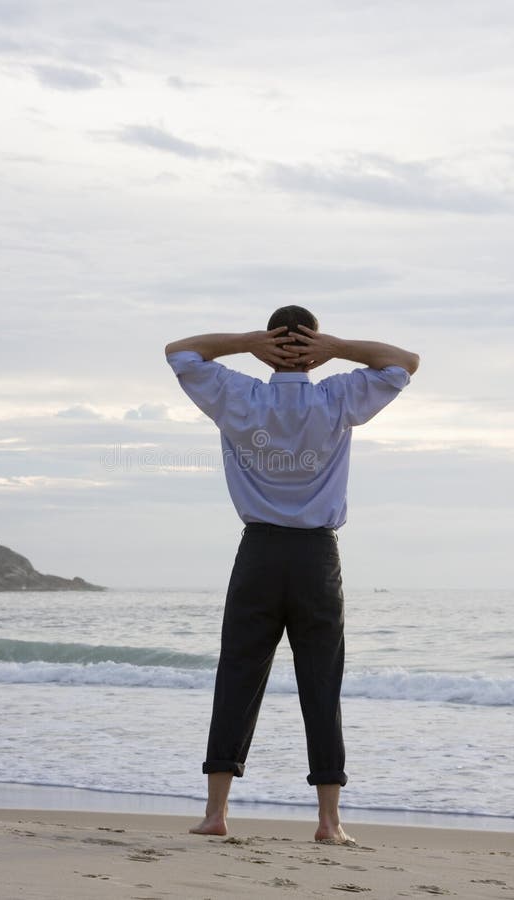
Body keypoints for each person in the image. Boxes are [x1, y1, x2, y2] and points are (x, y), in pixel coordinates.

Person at [165, 306, 419, 843]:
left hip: (258, 553)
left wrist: (243, 343)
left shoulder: (239, 394)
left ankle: (216, 814)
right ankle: (329, 822)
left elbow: (179, 351)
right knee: (322, 683)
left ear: (267, 341)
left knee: (237, 675)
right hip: (315, 558)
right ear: (315, 343)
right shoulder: (337, 396)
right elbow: (405, 362)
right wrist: (339, 348)